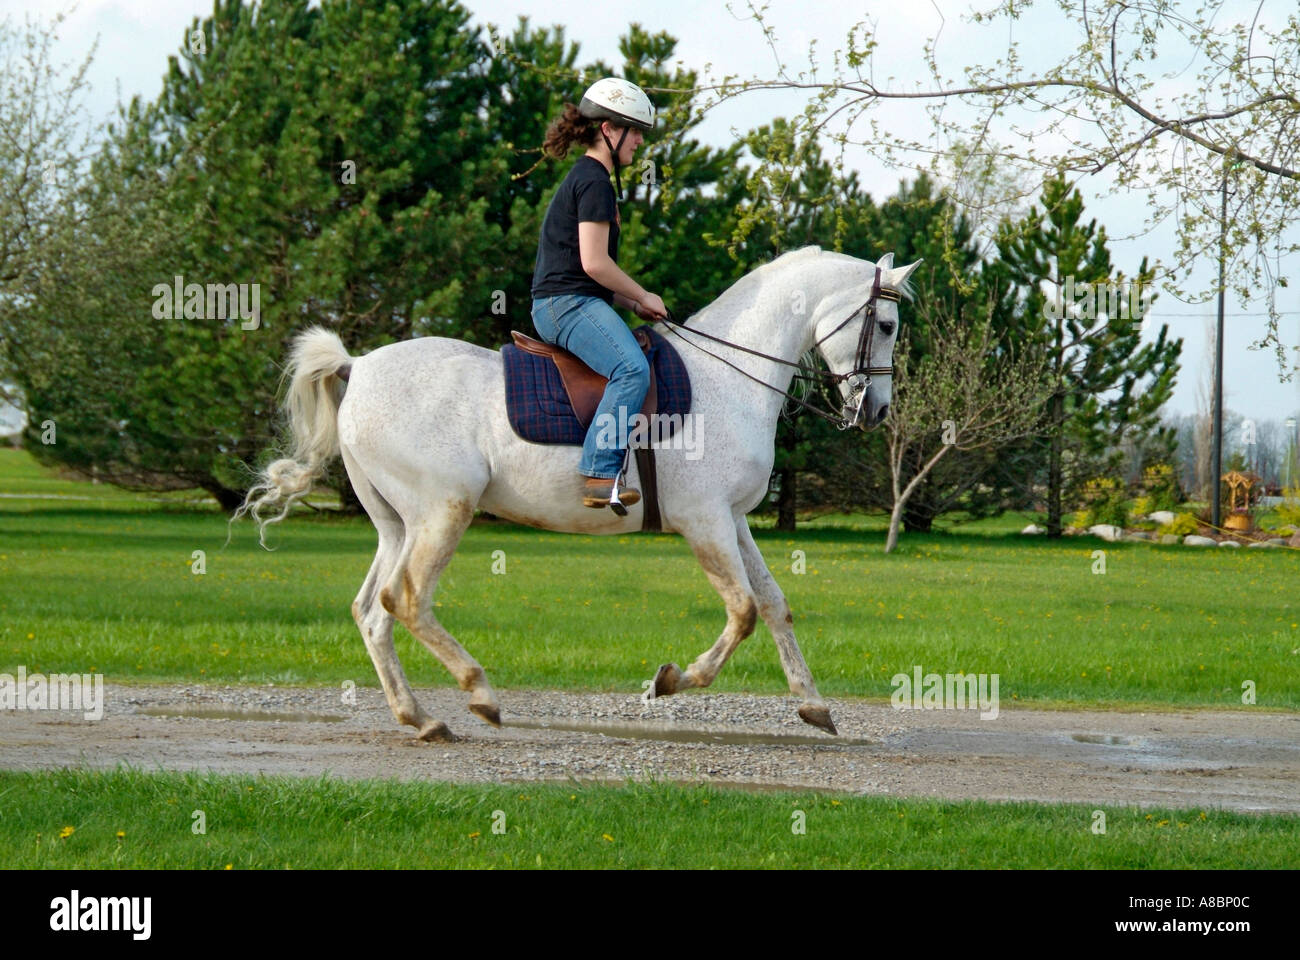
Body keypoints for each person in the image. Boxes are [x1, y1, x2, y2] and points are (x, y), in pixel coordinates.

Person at [530, 77, 668, 509]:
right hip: (566, 305)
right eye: (635, 131)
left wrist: (634, 303)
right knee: (632, 371)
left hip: (574, 300)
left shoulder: (590, 179)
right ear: (609, 129)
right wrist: (643, 292)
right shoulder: (594, 183)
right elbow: (594, 264)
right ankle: (598, 475)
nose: (640, 142)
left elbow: (593, 273)